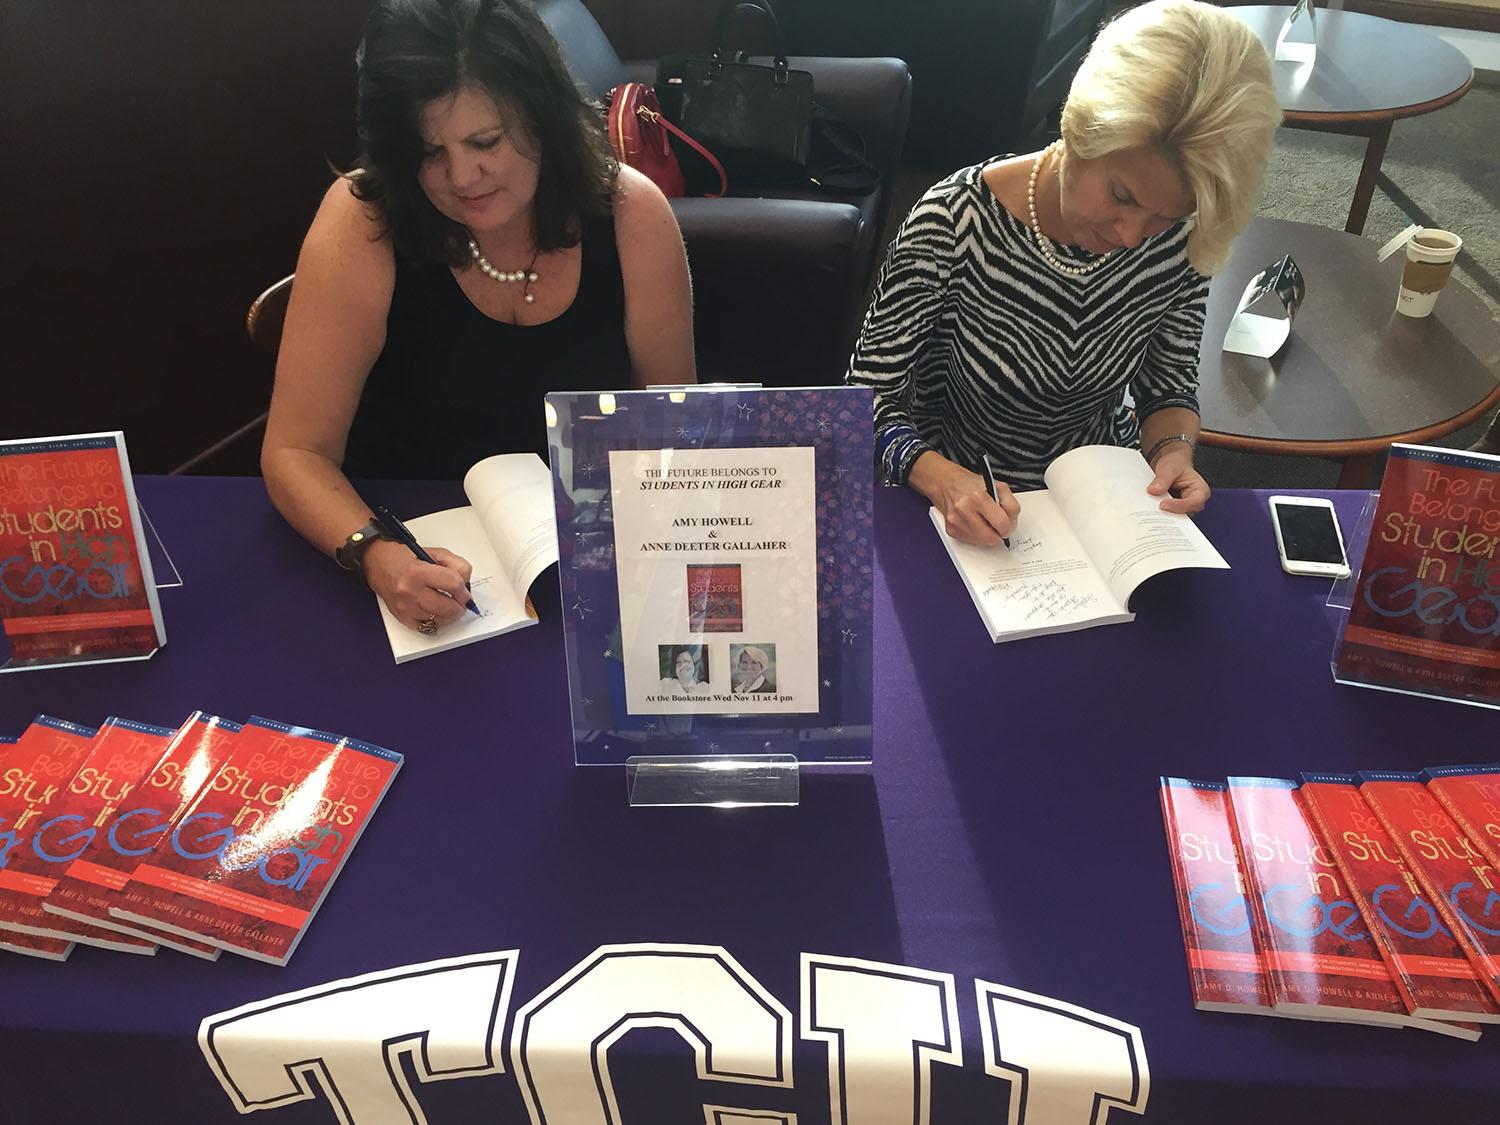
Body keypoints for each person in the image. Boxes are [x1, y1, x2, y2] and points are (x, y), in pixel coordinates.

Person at [261, 0, 694, 634]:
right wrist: (376, 555)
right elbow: (295, 451)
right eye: (429, 152)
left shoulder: (631, 214)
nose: (462, 177)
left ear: (543, 118)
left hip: (588, 571)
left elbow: (672, 428)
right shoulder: (365, 222)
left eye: (485, 141)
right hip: (411, 564)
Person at [846, 0, 1280, 547]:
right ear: (1083, 129)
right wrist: (942, 480)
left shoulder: (1178, 240)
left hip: (1102, 496)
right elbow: (862, 401)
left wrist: (1173, 451)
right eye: (1121, 196)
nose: (1130, 235)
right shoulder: (955, 220)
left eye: (1167, 216)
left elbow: (1167, 385)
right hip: (958, 499)